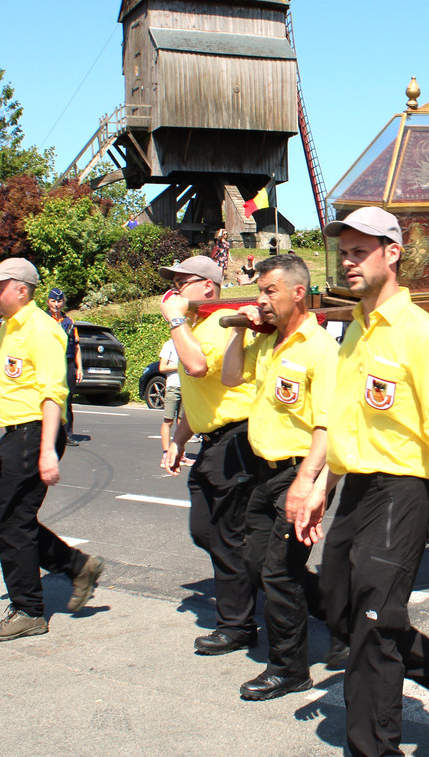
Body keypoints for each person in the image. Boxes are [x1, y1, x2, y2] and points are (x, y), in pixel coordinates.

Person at [290, 206, 429, 754]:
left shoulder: (424, 336)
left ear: (392, 253)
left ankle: (374, 747)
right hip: (356, 490)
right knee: (341, 608)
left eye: (361, 252)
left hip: (402, 492)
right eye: (345, 252)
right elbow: (341, 420)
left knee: (375, 625)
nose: (348, 262)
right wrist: (317, 488)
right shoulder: (354, 330)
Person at [0, 258, 104, 641]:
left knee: (12, 521)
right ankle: (78, 566)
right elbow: (7, 385)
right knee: (11, 519)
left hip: (34, 433)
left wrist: (46, 450)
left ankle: (29, 609)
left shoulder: (43, 330)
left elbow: (52, 393)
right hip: (15, 432)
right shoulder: (10, 326)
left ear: (22, 289)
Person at [221, 254, 339, 701]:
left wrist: (307, 485)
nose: (261, 300)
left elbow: (328, 426)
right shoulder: (271, 342)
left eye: (269, 291)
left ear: (298, 293)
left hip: (298, 472)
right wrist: (238, 329)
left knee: (278, 573)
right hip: (263, 473)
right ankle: (341, 619)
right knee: (256, 563)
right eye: (259, 291)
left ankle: (289, 669)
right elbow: (232, 377)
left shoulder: (320, 349)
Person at [159, 255, 260, 656]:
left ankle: (237, 625)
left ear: (206, 286)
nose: (173, 291)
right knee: (207, 531)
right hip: (211, 440)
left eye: (181, 283)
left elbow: (198, 367)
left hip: (238, 437)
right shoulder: (195, 326)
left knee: (225, 533)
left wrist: (174, 320)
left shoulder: (224, 322)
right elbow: (200, 398)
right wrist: (179, 438)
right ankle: (287, 592)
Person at [46, 288, 83, 446]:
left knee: (67, 400)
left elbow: (76, 346)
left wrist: (79, 367)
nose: (56, 304)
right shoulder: (43, 319)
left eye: (59, 301)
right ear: (48, 302)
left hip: (67, 363)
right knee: (48, 397)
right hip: (48, 362)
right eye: (53, 301)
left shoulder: (69, 322)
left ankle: (67, 434)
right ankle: (47, 433)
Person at [158, 336, 182, 455]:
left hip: (187, 388)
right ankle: (166, 453)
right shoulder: (169, 345)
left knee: (182, 422)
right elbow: (162, 367)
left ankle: (181, 454)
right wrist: (179, 367)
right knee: (169, 420)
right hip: (173, 386)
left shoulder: (188, 344)